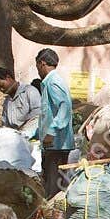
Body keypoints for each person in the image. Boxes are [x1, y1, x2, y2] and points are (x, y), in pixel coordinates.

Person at [35, 49, 74, 195]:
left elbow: (64, 107)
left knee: (53, 186)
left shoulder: (53, 82)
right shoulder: (49, 82)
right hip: (51, 145)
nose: (38, 70)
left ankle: (53, 214)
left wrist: (51, 132)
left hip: (56, 145)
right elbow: (47, 114)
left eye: (38, 66)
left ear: (42, 63)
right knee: (50, 182)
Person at [0, 66, 40, 134]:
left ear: (8, 78)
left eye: (2, 85)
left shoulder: (29, 91)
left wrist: (23, 134)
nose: (1, 90)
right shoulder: (7, 102)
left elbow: (37, 117)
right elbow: (5, 125)